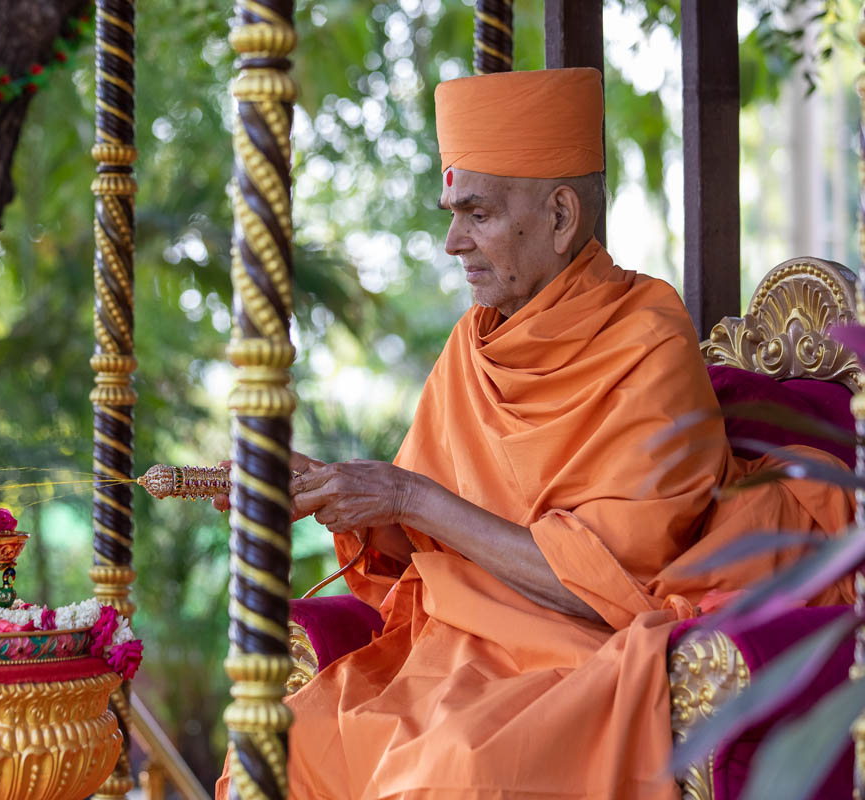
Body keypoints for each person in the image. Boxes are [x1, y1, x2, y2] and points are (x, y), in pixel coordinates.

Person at [214, 67, 853, 799]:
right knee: (279, 748)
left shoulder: (647, 337)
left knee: (457, 771)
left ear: (558, 216)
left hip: (573, 653)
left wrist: (407, 497)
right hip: (457, 649)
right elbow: (426, 545)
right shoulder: (473, 344)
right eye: (452, 213)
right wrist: (330, 492)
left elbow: (610, 590)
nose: (453, 242)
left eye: (477, 214)